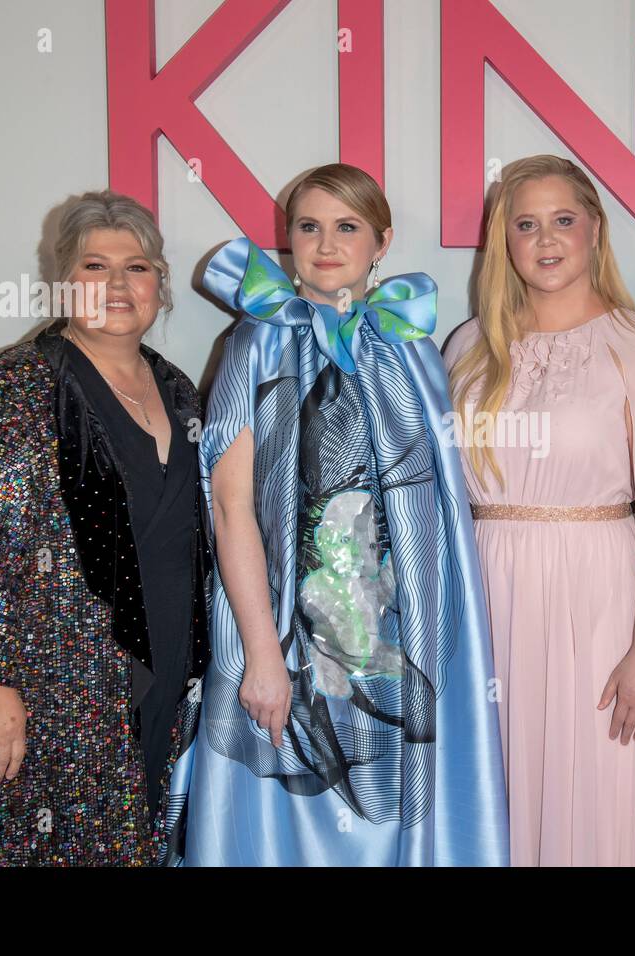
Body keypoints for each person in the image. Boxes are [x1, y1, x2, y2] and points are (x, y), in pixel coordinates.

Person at [185, 163, 508, 866]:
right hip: (284, 639)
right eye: (309, 226)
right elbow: (232, 509)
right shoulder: (254, 343)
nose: (326, 244)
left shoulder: (413, 352)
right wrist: (262, 654)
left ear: (381, 241)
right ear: (288, 239)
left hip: (400, 650)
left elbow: (441, 517)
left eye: (347, 227)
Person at [0, 190, 210, 865]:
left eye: (138, 267)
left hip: (157, 677)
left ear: (160, 285)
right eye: (96, 266)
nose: (119, 284)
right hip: (45, 690)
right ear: (64, 284)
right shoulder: (12, 389)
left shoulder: (179, 390)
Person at [443, 154, 635, 866]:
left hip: (600, 602)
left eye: (563, 220)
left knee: (597, 790)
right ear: (505, 241)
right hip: (488, 599)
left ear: (594, 230)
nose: (545, 239)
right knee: (497, 789)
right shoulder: (467, 349)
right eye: (526, 224)